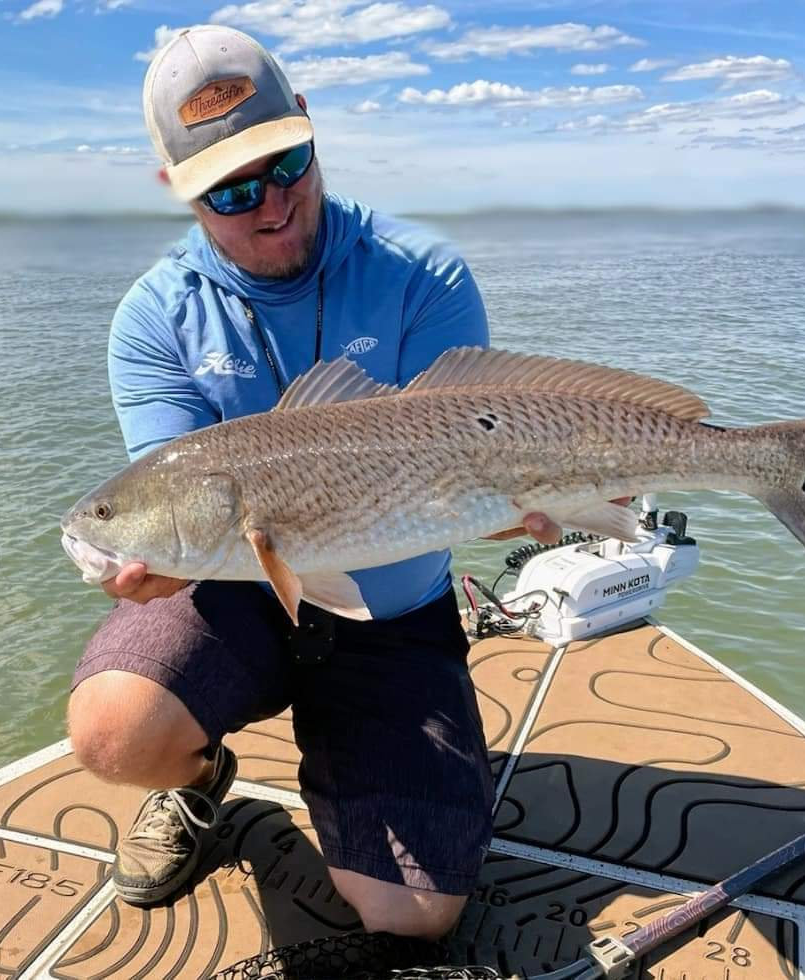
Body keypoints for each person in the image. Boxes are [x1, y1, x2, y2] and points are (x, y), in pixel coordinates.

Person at [66, 24, 562, 940]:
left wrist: (534, 506)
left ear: (306, 122)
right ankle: (202, 781)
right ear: (176, 190)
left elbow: (476, 456)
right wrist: (134, 550)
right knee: (112, 730)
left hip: (397, 605)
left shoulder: (422, 273)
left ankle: (368, 749)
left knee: (413, 917)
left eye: (285, 163)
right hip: (236, 590)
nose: (271, 206)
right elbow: (180, 506)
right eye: (230, 189)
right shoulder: (153, 319)